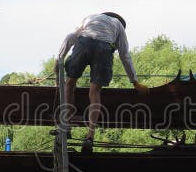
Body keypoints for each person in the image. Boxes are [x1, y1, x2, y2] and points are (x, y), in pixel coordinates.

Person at [58, 12, 148, 153]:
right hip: (104, 49)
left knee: (69, 83)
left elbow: (70, 37)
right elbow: (124, 55)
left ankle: (66, 126)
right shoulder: (119, 26)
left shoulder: (90, 17)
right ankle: (90, 136)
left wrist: (60, 58)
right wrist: (134, 81)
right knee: (94, 92)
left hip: (84, 42)